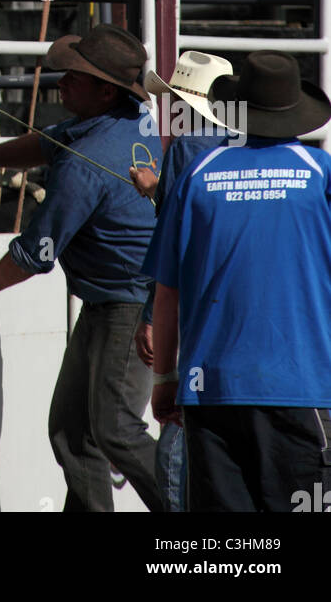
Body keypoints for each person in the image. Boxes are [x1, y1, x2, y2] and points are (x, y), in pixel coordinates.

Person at [0, 24, 163, 512]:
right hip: (120, 296)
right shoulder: (130, 117)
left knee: (114, 428)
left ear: (105, 90)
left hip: (128, 301)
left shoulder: (88, 160)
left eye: (74, 77)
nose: (61, 83)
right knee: (74, 429)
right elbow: (47, 143)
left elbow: (36, 253)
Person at [146, 51, 331, 513]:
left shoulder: (197, 174)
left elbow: (168, 292)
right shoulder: (319, 174)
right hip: (302, 387)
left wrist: (164, 378)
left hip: (212, 388)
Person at [128, 50, 237, 513]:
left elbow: (174, 243)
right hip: (237, 321)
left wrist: (150, 319)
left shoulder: (187, 150)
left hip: (195, 318)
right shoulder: (241, 146)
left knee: (176, 452)